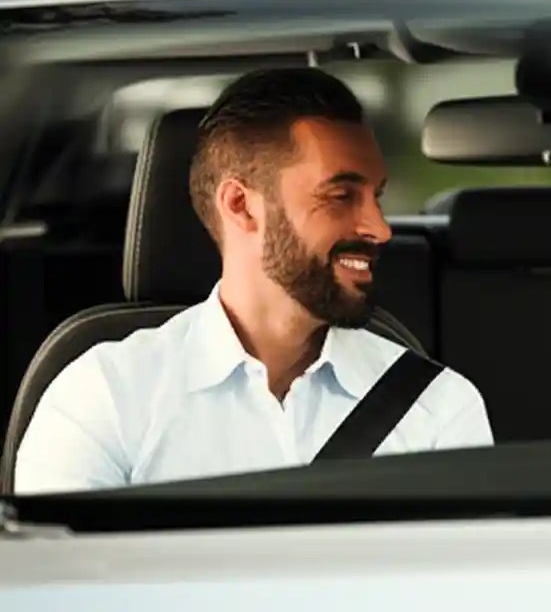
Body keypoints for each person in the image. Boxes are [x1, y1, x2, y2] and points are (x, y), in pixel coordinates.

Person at [16, 68, 492, 493]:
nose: (379, 228)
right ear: (241, 206)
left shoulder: (438, 407)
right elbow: (57, 587)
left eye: (377, 197)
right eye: (341, 195)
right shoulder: (105, 397)